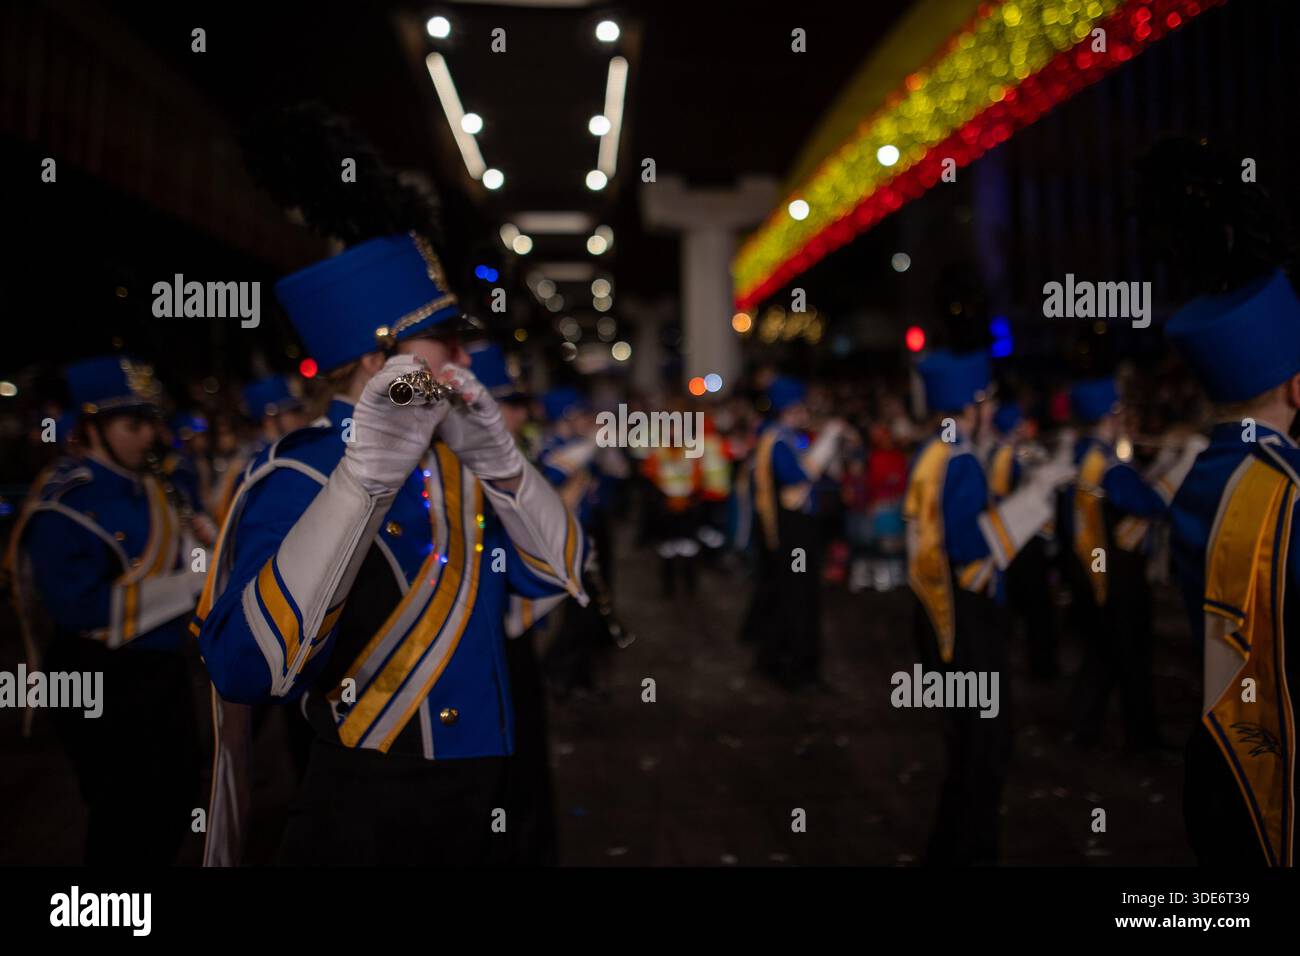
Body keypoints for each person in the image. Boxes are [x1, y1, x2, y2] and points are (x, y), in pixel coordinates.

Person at [193, 232, 588, 865]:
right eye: (443, 340)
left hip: (485, 786)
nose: (463, 353)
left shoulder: (456, 463)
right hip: (374, 800)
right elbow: (247, 667)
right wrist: (360, 484)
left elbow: (558, 572)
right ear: (381, 365)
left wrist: (503, 465)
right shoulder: (301, 473)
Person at [4, 356, 205, 864]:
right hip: (101, 676)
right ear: (91, 426)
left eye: (149, 422)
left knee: (176, 796)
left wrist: (201, 546)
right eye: (131, 425)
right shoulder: (62, 505)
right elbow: (82, 609)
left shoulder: (153, 487)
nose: (148, 437)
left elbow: (185, 557)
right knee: (124, 815)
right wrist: (190, 583)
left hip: (160, 670)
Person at [904, 350, 1071, 864]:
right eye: (987, 399)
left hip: (938, 619)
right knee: (984, 753)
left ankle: (947, 851)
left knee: (966, 753)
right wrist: (1038, 494)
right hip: (968, 625)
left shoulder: (932, 454)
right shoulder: (961, 463)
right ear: (973, 404)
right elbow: (973, 547)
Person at [1167, 268, 1300, 867]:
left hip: (1214, 751)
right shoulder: (1286, 489)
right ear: (1296, 389)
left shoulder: (1198, 477)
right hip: (1283, 770)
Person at [1064, 378, 1201, 752]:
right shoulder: (1107, 466)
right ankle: (1142, 742)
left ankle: (1080, 730)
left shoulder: (1088, 456)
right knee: (1132, 659)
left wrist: (1168, 460)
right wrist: (1188, 461)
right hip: (1118, 576)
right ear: (1110, 416)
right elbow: (1153, 504)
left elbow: (1135, 491)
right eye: (1121, 412)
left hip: (1097, 570)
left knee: (1104, 657)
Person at [739, 376, 846, 691]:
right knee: (800, 600)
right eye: (801, 407)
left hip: (791, 535)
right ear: (789, 409)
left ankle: (775, 660)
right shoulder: (777, 440)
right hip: (792, 536)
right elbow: (799, 476)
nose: (806, 413)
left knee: (787, 598)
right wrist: (829, 439)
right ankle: (799, 670)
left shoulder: (782, 437)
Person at [987, 403, 1059, 679]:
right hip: (1022, 540)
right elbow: (1004, 497)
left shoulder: (1011, 452)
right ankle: (1040, 665)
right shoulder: (1007, 454)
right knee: (1035, 609)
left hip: (1024, 539)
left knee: (1025, 609)